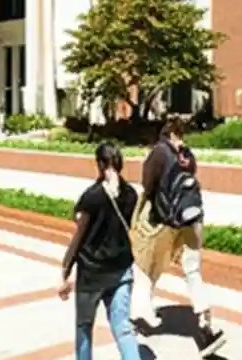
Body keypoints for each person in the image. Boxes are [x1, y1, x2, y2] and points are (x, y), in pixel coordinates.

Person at [131, 118, 225, 357]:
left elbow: (147, 184)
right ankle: (205, 326)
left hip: (168, 221)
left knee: (148, 264)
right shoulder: (188, 155)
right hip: (193, 219)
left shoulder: (159, 153)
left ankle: (140, 314)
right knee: (192, 271)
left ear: (167, 133)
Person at [59, 142, 143, 360]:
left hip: (91, 275)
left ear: (99, 164)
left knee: (84, 327)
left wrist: (65, 269)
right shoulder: (131, 194)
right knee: (123, 328)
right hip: (122, 270)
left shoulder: (91, 197)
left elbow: (79, 235)